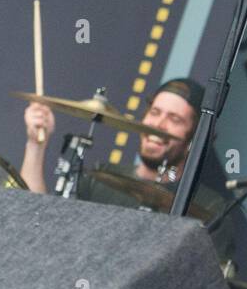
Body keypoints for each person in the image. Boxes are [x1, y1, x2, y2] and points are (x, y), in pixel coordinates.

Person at [20, 77, 233, 256]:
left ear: (194, 139)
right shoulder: (102, 177)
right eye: (155, 112)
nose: (158, 125)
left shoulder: (209, 207)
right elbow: (37, 224)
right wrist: (36, 145)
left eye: (174, 119)